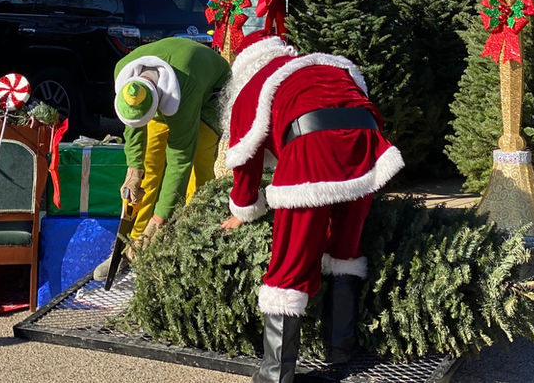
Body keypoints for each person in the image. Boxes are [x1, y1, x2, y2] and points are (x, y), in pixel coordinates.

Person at [219, 31, 404, 383]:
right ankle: (340, 349)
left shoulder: (252, 85)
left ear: (243, 66)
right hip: (367, 140)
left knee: (291, 261)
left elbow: (245, 160)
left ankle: (275, 374)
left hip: (311, 146)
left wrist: (243, 209)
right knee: (345, 247)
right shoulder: (317, 66)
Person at [93, 36, 231, 280]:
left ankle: (192, 242)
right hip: (167, 88)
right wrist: (133, 172)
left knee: (199, 165)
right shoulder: (123, 71)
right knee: (149, 164)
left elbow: (180, 158)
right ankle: (133, 244)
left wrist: (159, 219)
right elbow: (133, 127)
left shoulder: (185, 89)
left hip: (209, 91)